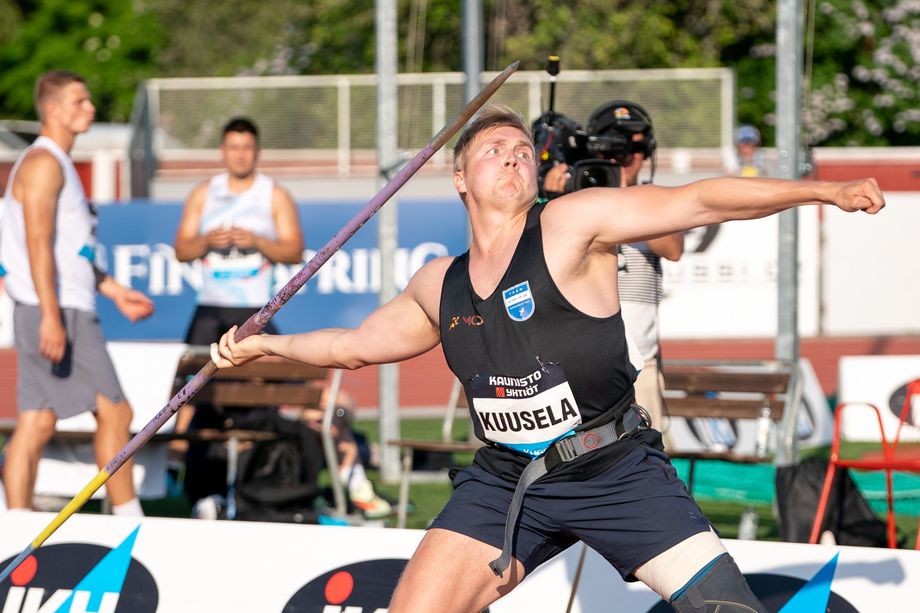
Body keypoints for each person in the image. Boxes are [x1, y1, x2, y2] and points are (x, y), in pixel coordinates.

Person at [212, 105, 884, 612]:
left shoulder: (570, 224)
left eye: (521, 151)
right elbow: (352, 347)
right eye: (491, 150)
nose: (511, 157)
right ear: (458, 178)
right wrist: (266, 342)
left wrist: (821, 191)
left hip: (616, 471)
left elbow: (698, 199)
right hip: (508, 483)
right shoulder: (437, 283)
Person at [0, 70, 154, 515]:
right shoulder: (44, 162)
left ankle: (15, 529)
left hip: (54, 305)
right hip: (57, 311)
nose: (90, 108)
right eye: (80, 101)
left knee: (37, 420)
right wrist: (51, 314)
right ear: (53, 109)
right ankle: (131, 524)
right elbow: (36, 243)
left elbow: (71, 251)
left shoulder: (57, 163)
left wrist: (115, 290)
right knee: (116, 412)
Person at [172, 116, 304, 509]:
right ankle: (195, 481)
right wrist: (206, 241)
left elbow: (295, 251)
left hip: (254, 310)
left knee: (261, 398)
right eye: (233, 147)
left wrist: (257, 241)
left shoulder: (273, 194)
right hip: (209, 308)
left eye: (247, 148)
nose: (240, 155)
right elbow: (181, 249)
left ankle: (254, 483)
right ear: (223, 151)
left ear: (256, 152)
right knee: (195, 394)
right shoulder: (204, 193)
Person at [543, 101, 683, 444]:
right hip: (579, 367)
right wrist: (550, 198)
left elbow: (673, 248)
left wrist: (623, 198)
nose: (625, 155)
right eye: (614, 144)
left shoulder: (652, 199)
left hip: (642, 366)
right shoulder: (575, 199)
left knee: (650, 466)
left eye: (634, 146)